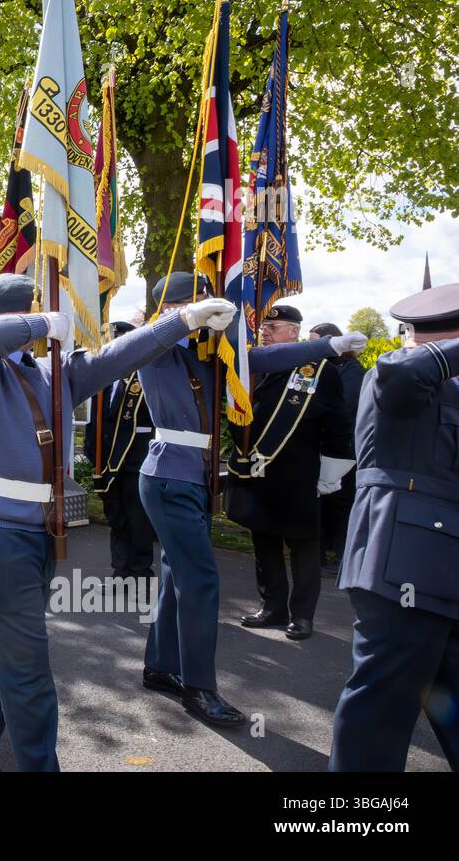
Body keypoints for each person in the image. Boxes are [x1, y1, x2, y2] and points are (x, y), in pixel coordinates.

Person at [0, 274, 203, 770]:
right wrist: (42, 321)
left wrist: (181, 320)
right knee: (28, 671)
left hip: (40, 527)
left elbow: (122, 354)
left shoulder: (54, 371)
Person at [137, 273, 365, 727]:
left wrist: (329, 348)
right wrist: (183, 318)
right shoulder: (157, 345)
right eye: (199, 304)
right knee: (201, 582)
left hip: (191, 476)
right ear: (177, 308)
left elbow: (261, 356)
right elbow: (151, 336)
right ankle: (199, 687)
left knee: (176, 574)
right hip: (170, 477)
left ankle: (160, 667)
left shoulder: (204, 351)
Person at [330, 282, 459, 771]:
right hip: (403, 567)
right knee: (380, 714)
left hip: (445, 576)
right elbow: (403, 370)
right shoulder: (400, 373)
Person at [228, 305, 353, 640]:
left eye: (274, 326)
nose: (265, 332)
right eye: (263, 326)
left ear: (294, 332)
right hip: (258, 472)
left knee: (303, 547)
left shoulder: (318, 370)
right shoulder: (253, 365)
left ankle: (302, 615)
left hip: (299, 474)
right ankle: (272, 607)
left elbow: (338, 427)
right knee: (264, 540)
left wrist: (332, 474)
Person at [84, 321, 157, 578]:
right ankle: (120, 570)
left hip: (135, 459)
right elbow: (97, 419)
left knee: (138, 519)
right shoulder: (102, 376)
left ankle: (140, 571)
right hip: (107, 459)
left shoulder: (145, 374)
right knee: (116, 516)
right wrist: (92, 451)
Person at [309, 321, 366, 577]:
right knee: (321, 504)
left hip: (343, 450)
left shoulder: (351, 370)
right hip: (321, 444)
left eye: (315, 340)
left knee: (341, 505)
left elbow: (345, 406)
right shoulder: (322, 367)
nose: (312, 347)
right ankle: (319, 556)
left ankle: (344, 558)